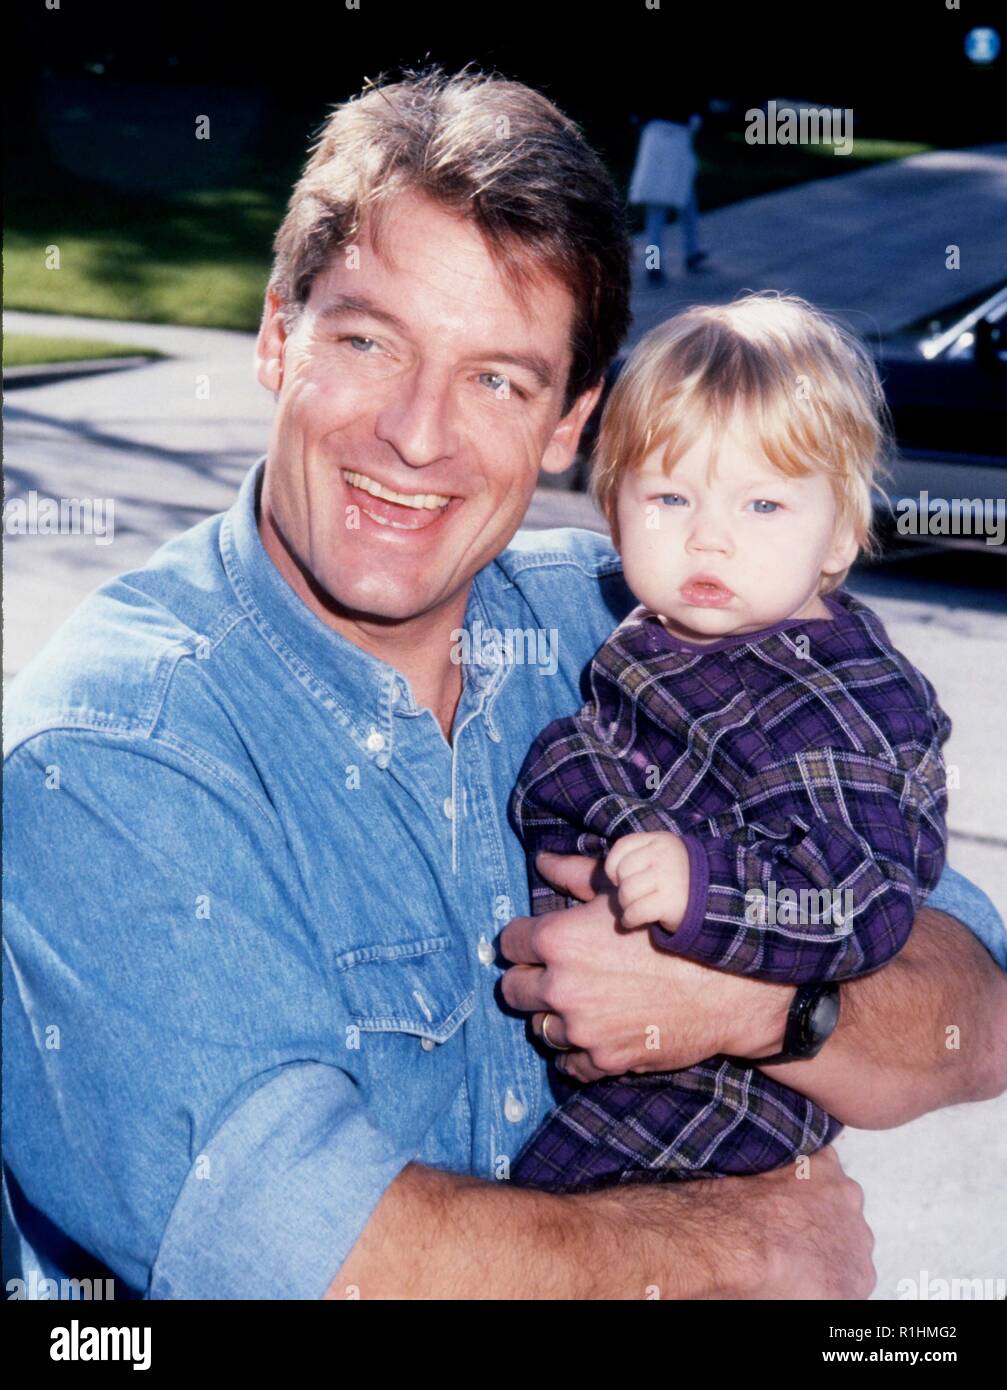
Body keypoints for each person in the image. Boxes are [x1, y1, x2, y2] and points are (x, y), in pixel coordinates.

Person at [3, 65, 1005, 1302]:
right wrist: (726, 1249)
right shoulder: (111, 750)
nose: (417, 436)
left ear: (568, 425)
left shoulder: (636, 626)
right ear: (277, 336)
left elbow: (972, 1010)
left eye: (497, 379)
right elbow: (285, 1252)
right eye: (369, 340)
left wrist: (752, 1004)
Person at [509, 293, 952, 1190]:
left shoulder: (831, 698)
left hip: (719, 1100)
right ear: (613, 506)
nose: (709, 535)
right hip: (615, 1046)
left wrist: (698, 887)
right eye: (669, 496)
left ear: (840, 534)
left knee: (544, 1218)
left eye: (762, 504)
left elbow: (859, 903)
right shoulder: (667, 630)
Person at [627, 99, 711, 281]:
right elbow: (698, 114)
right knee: (684, 202)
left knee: (659, 209)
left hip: (655, 139)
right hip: (678, 139)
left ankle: (656, 263)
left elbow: (637, 116)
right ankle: (691, 252)